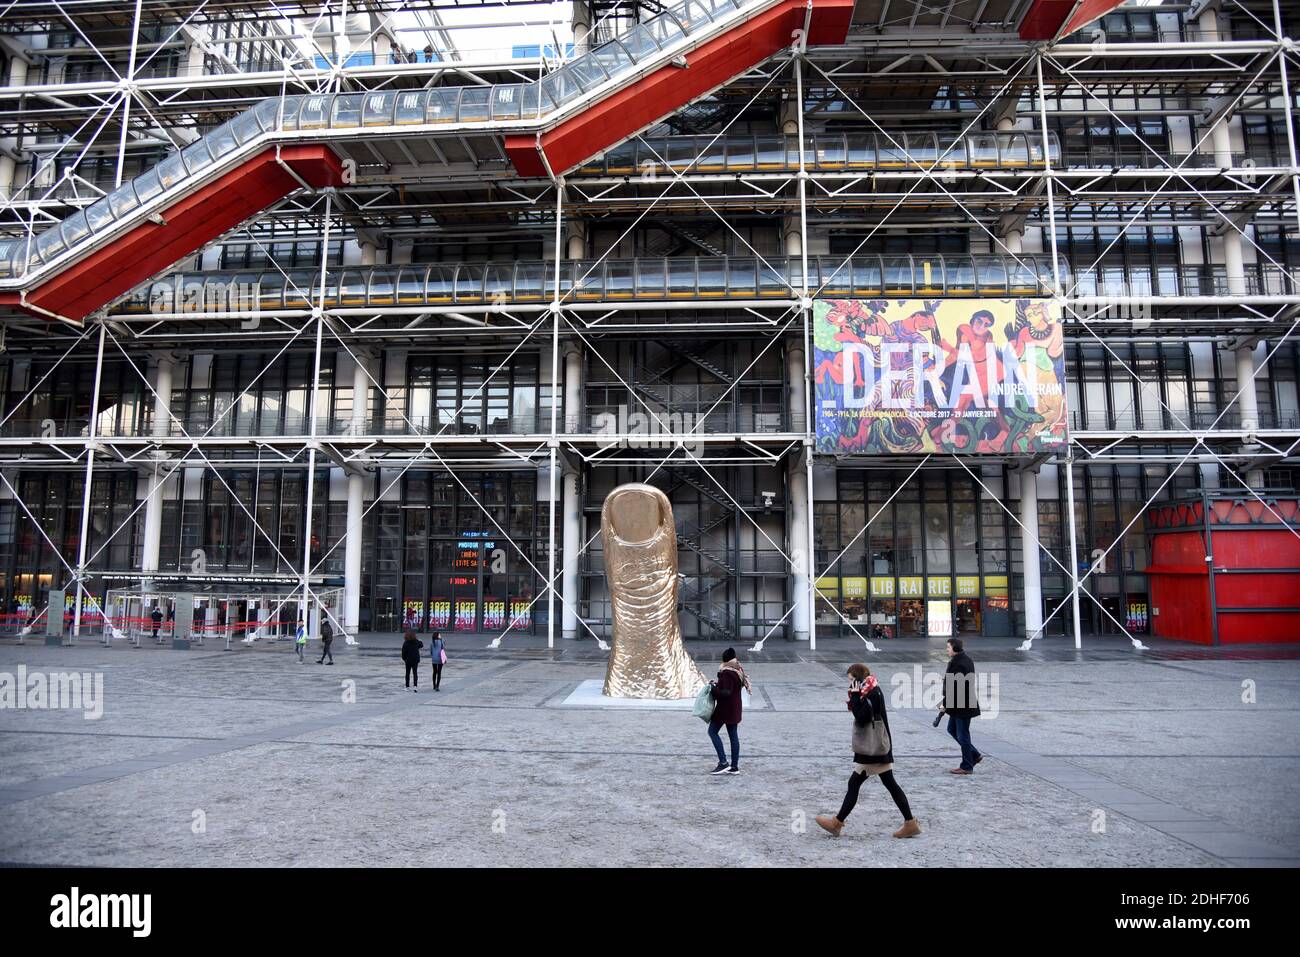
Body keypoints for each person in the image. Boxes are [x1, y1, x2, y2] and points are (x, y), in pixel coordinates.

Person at [816, 663, 921, 838]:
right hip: (877, 748)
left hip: (873, 749)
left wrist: (855, 697)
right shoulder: (872, 688)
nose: (850, 685)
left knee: (857, 783)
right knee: (888, 784)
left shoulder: (871, 692)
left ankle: (836, 823)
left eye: (851, 681)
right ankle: (910, 823)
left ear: (858, 679)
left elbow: (862, 716)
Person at [942, 637, 982, 774]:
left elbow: (957, 687)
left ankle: (967, 766)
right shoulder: (961, 660)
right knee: (952, 729)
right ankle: (974, 755)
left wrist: (945, 704)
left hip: (963, 705)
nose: (947, 649)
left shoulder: (960, 663)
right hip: (959, 704)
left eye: (948, 647)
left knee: (962, 735)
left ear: (955, 648)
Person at [707, 647, 750, 776]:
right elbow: (729, 687)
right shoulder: (738, 669)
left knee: (712, 732)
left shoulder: (727, 672)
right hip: (735, 708)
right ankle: (734, 766)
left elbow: (726, 692)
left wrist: (713, 689)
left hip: (724, 709)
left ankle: (723, 763)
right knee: (733, 736)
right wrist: (718, 684)